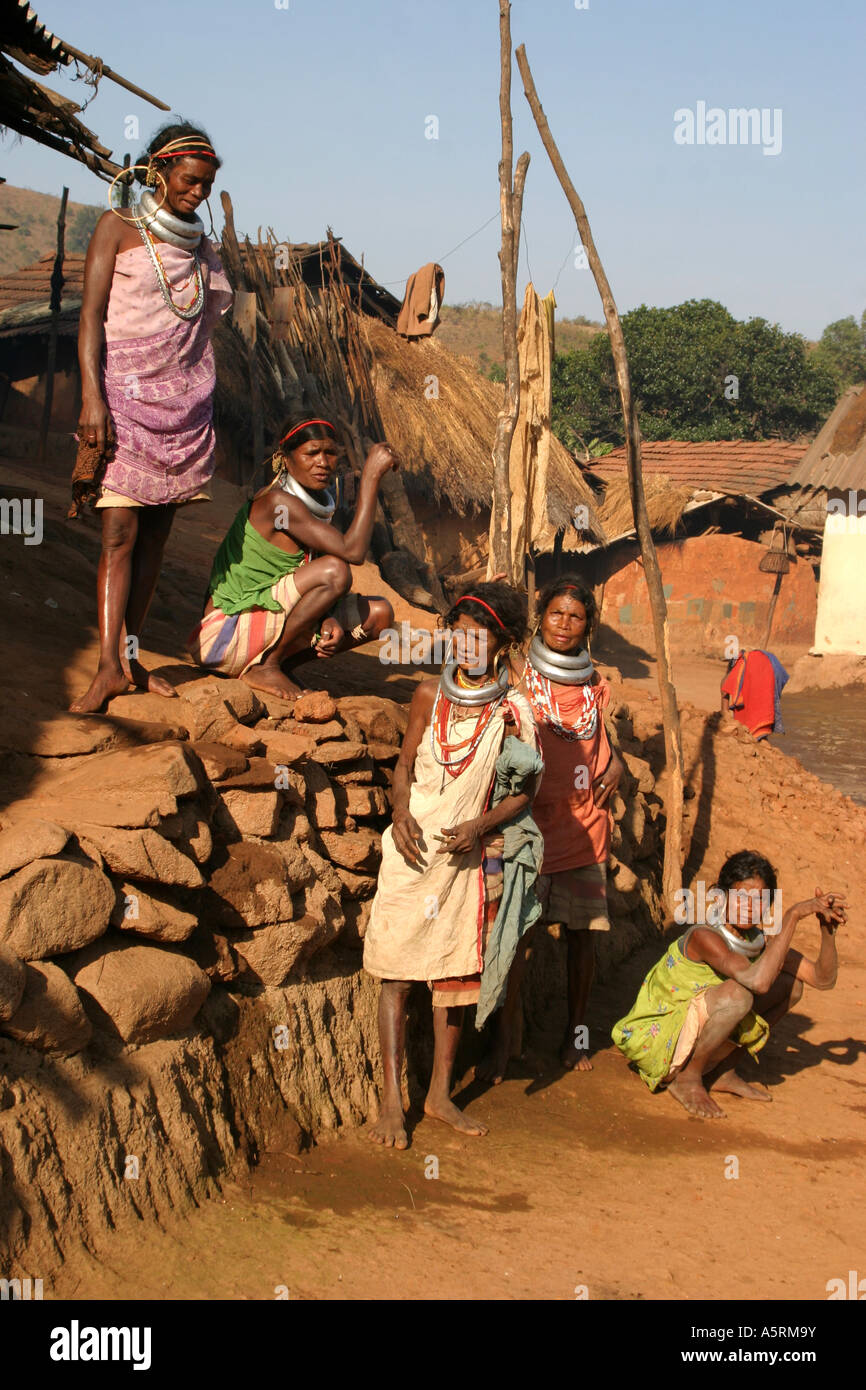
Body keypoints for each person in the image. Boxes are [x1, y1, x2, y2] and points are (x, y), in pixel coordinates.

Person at [363, 584, 540, 1149]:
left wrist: (481, 826)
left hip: (465, 854)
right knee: (395, 972)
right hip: (412, 848)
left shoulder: (513, 711)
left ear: (502, 644)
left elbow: (525, 794)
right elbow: (404, 762)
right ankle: (393, 1099)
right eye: (459, 631)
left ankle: (439, 1095)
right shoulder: (425, 695)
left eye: (480, 635)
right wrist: (398, 812)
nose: (467, 644)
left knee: (454, 978)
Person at [71, 122, 234, 712]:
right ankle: (107, 665)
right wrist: (93, 398)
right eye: (191, 180)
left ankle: (133, 655)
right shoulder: (116, 228)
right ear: (159, 172)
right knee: (119, 531)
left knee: (157, 536)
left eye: (208, 185)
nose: (199, 193)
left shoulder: (201, 249)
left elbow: (200, 329)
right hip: (122, 400)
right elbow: (90, 318)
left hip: (183, 408)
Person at [478, 575, 624, 1081]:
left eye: (576, 616)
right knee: (517, 936)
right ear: (541, 617)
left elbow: (599, 737)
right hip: (531, 825)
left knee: (583, 937)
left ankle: (575, 1032)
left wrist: (619, 764)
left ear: (589, 624)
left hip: (586, 824)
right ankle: (505, 1037)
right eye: (556, 614)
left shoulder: (593, 682)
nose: (565, 625)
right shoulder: (515, 673)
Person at [612, 849, 846, 1119]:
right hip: (657, 1039)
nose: (749, 905)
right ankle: (687, 1078)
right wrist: (793, 915)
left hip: (692, 1031)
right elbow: (757, 982)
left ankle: (723, 1070)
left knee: (790, 986)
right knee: (739, 994)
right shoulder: (704, 936)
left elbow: (823, 979)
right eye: (741, 896)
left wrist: (828, 930)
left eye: (759, 899)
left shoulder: (759, 940)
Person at [188, 416, 395, 699]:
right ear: (285, 459)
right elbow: (353, 552)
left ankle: (277, 665)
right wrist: (371, 477)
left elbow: (304, 573)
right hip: (221, 638)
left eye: (330, 453)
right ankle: (267, 665)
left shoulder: (312, 505)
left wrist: (327, 617)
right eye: (311, 453)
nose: (322, 462)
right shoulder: (278, 503)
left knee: (380, 614)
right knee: (336, 571)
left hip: (260, 622)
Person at [721, 648, 789, 740]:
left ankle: (756, 733)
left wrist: (725, 718)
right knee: (761, 703)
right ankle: (761, 735)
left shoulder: (738, 668)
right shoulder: (744, 666)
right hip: (770, 669)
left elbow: (724, 691)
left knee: (754, 706)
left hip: (764, 668)